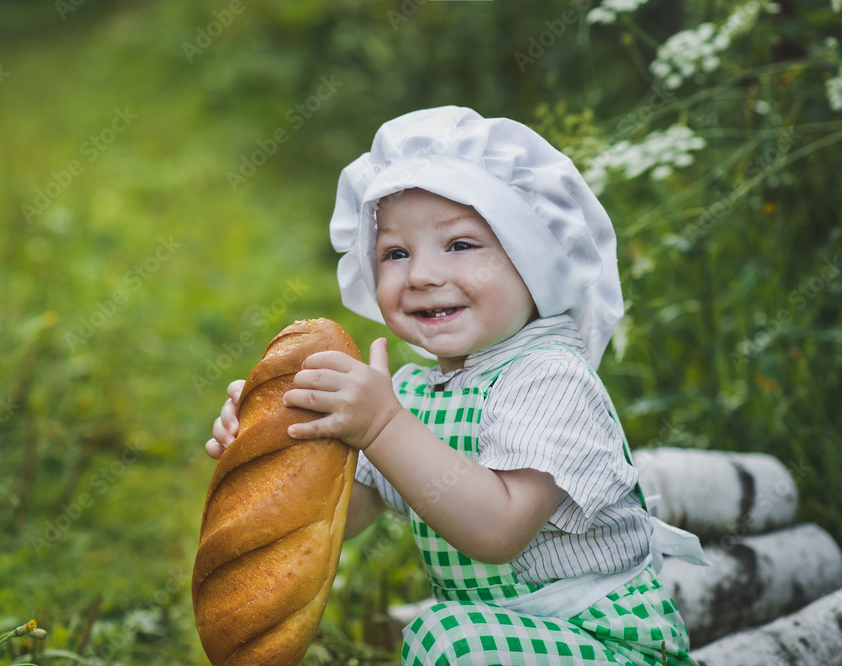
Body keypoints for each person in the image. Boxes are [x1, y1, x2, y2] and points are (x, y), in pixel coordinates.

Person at [205, 106, 707, 665]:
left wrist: (382, 425)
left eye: (460, 245)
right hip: (516, 642)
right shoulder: (413, 393)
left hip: (608, 644)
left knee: (447, 638)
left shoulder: (550, 378)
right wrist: (272, 451)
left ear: (532, 260)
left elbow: (499, 530)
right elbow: (347, 517)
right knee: (449, 636)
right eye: (395, 253)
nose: (420, 275)